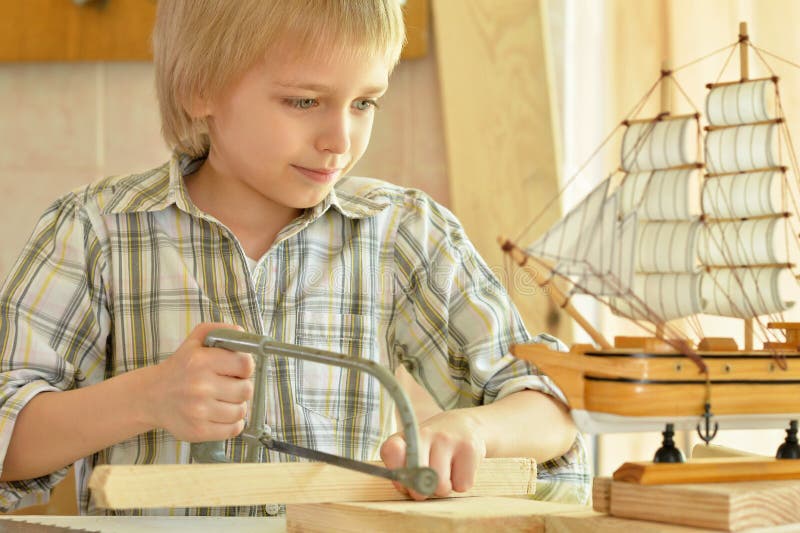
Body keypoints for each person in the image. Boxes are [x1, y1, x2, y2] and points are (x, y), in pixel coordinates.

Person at [0, 0, 588, 516]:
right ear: (199, 89)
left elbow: (551, 408)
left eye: (364, 103)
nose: (340, 139)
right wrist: (147, 397)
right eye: (304, 101)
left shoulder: (402, 232)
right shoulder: (95, 230)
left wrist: (474, 429)